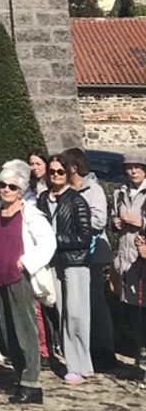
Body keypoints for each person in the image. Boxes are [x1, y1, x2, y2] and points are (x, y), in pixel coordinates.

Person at [0, 160, 56, 405]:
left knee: (25, 330)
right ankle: (20, 376)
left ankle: (31, 383)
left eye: (11, 186)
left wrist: (27, 262)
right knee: (8, 331)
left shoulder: (29, 213)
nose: (6, 190)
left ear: (20, 189)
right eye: (2, 185)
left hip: (18, 278)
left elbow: (48, 242)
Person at [60, 146, 116, 372]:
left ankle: (104, 350)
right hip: (72, 254)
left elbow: (99, 220)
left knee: (94, 303)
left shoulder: (94, 190)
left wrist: (73, 224)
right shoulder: (63, 190)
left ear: (73, 167)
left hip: (93, 255)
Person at [38, 153, 92, 385]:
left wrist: (55, 239)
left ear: (68, 173)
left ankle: (79, 365)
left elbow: (84, 235)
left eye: (60, 171)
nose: (56, 175)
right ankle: (72, 360)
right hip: (53, 262)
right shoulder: (43, 198)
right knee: (61, 313)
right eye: (52, 172)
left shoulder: (76, 200)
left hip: (75, 262)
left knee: (77, 314)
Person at [112, 150, 146, 362]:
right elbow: (114, 216)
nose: (132, 171)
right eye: (129, 167)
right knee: (131, 308)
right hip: (126, 258)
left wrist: (141, 223)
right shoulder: (120, 192)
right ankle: (138, 348)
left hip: (142, 257)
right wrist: (115, 222)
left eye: (137, 167)